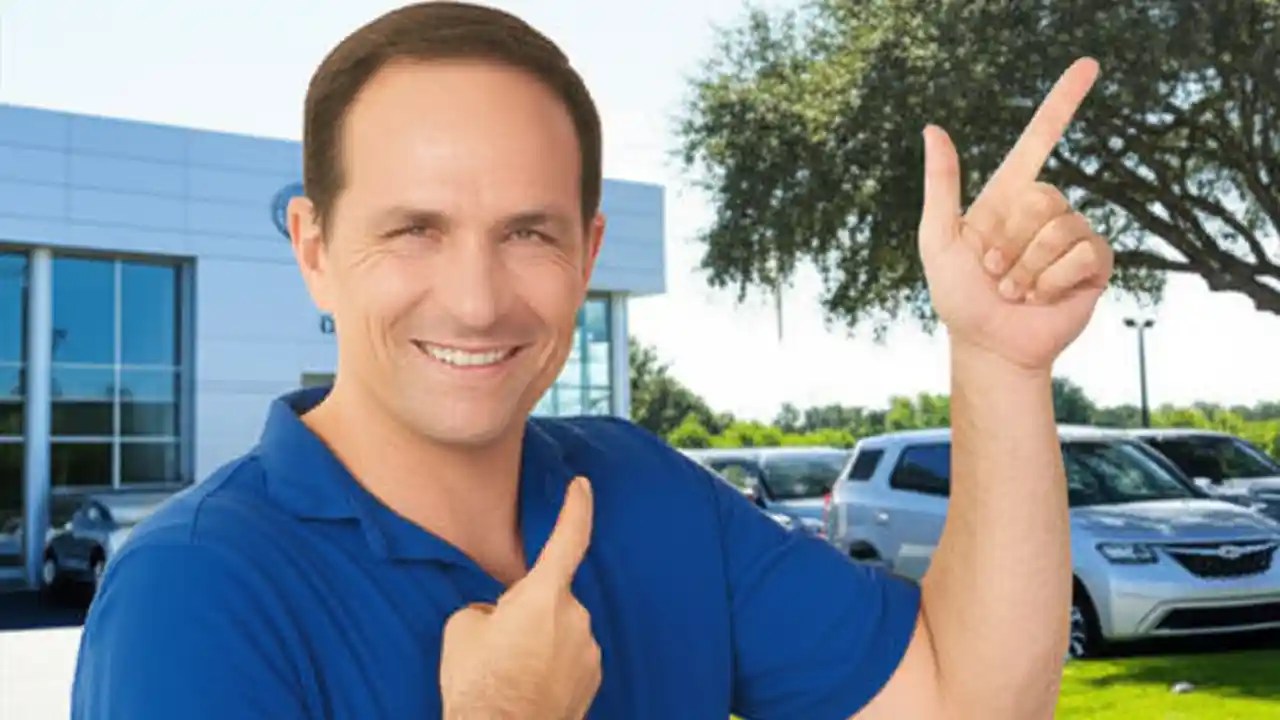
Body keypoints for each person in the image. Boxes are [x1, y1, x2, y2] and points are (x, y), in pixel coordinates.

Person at [70, 2, 1113, 719]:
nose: (476, 301)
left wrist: (996, 364)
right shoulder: (194, 590)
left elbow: (964, 698)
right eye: (413, 231)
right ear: (313, 250)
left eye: (527, 232)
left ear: (587, 255)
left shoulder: (645, 492)